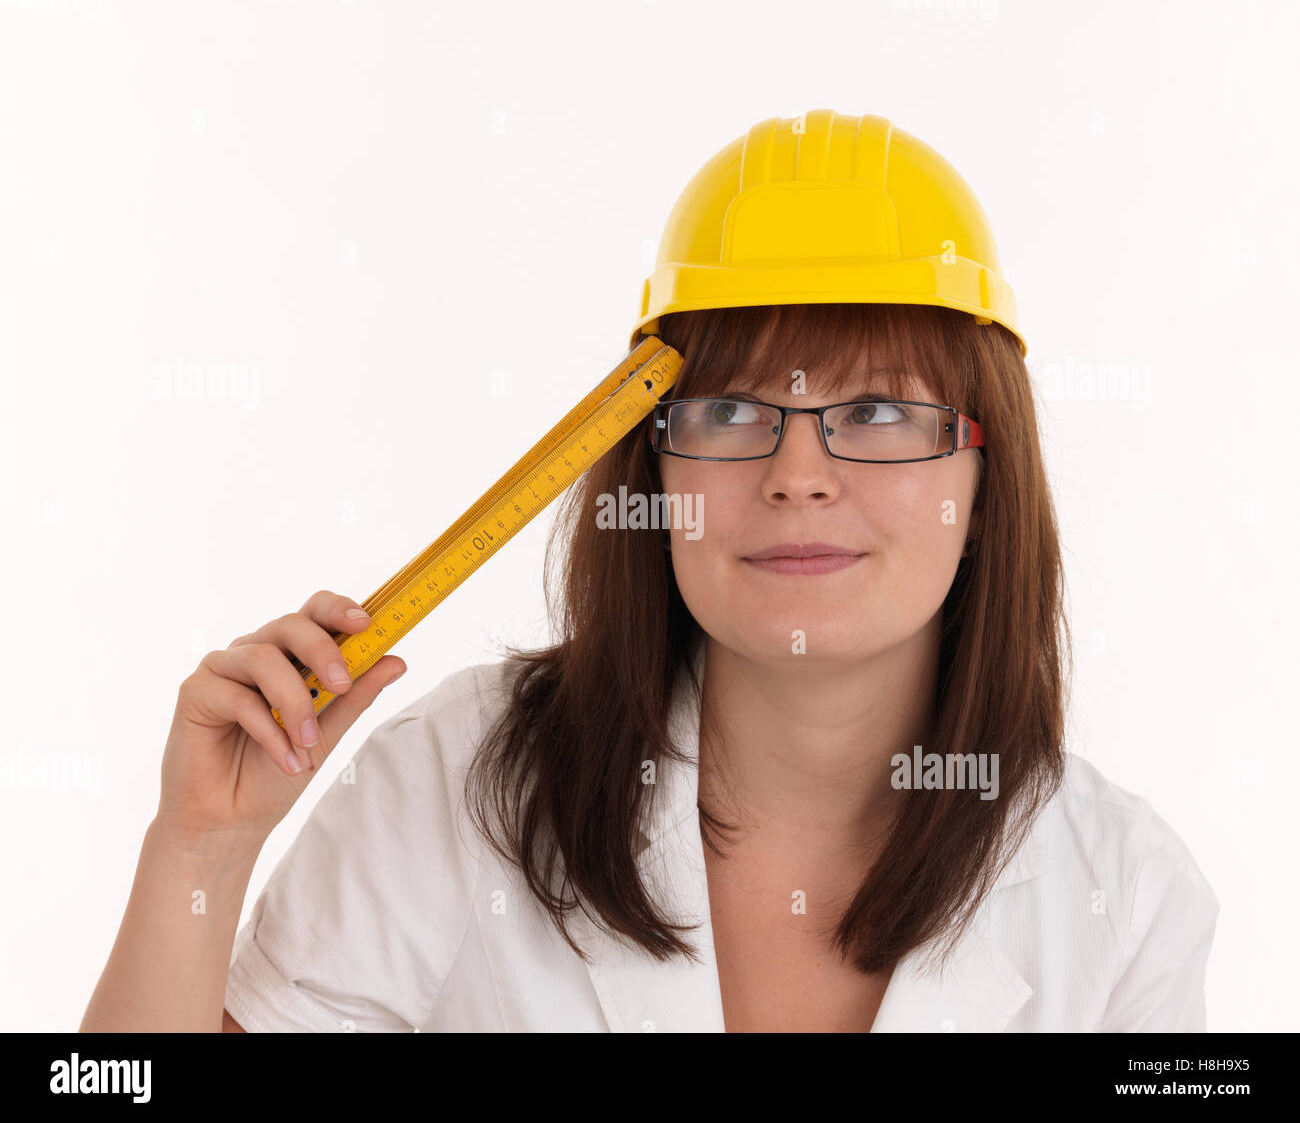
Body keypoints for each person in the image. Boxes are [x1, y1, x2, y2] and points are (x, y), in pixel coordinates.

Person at [80, 110, 1218, 1033]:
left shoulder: (1128, 900)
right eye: (730, 410)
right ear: (647, 464)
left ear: (984, 481)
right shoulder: (454, 781)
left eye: (875, 410)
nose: (798, 474)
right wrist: (201, 847)